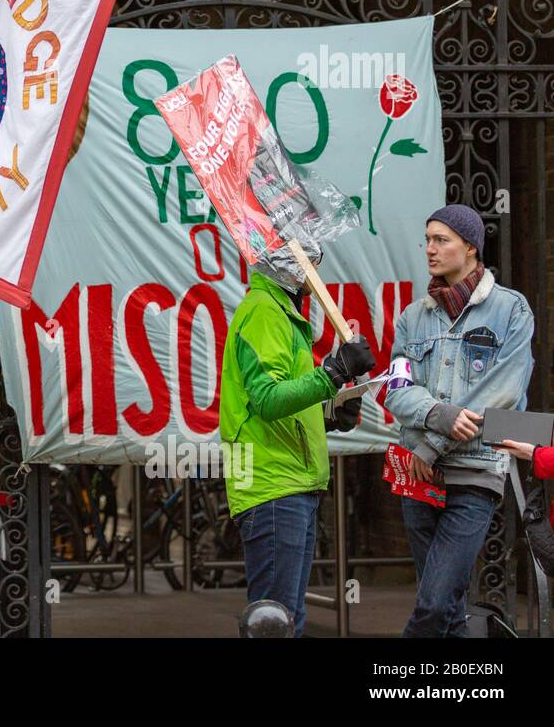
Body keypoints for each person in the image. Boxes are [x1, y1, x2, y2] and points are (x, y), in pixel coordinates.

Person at [384, 204, 535, 637]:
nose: (429, 249)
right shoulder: (414, 317)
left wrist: (434, 442)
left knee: (433, 603)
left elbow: (504, 391)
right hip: (418, 478)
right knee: (447, 610)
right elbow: (397, 386)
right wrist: (436, 414)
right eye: (427, 239)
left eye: (441, 240)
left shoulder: (511, 310)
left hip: (475, 471)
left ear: (470, 247)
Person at [219, 244, 375, 637]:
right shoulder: (264, 313)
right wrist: (334, 371)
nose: (316, 270)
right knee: (274, 622)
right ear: (285, 264)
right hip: (274, 487)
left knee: (286, 619)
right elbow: (269, 399)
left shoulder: (281, 314)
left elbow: (284, 404)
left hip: (290, 484)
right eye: (309, 259)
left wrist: (330, 414)